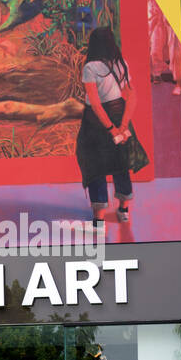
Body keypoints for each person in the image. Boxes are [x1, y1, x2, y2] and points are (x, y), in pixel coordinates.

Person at [76, 26, 144, 223]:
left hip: (95, 122)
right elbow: (132, 97)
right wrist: (123, 126)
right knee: (120, 163)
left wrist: (110, 129)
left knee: (95, 164)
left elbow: (95, 104)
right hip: (119, 112)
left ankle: (99, 217)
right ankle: (123, 211)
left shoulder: (90, 68)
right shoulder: (121, 64)